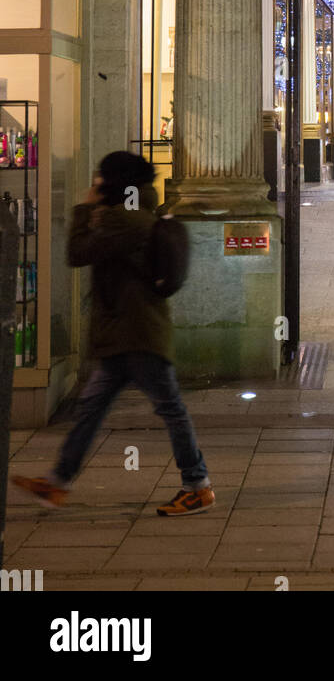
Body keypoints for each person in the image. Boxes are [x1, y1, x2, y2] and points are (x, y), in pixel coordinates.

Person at [12, 151, 214, 516]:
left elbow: (77, 252)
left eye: (101, 178)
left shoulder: (125, 220)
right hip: (124, 335)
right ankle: (58, 481)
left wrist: (84, 208)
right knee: (92, 408)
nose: (96, 184)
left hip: (137, 335)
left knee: (170, 409)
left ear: (116, 181)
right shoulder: (135, 215)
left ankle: (197, 485)